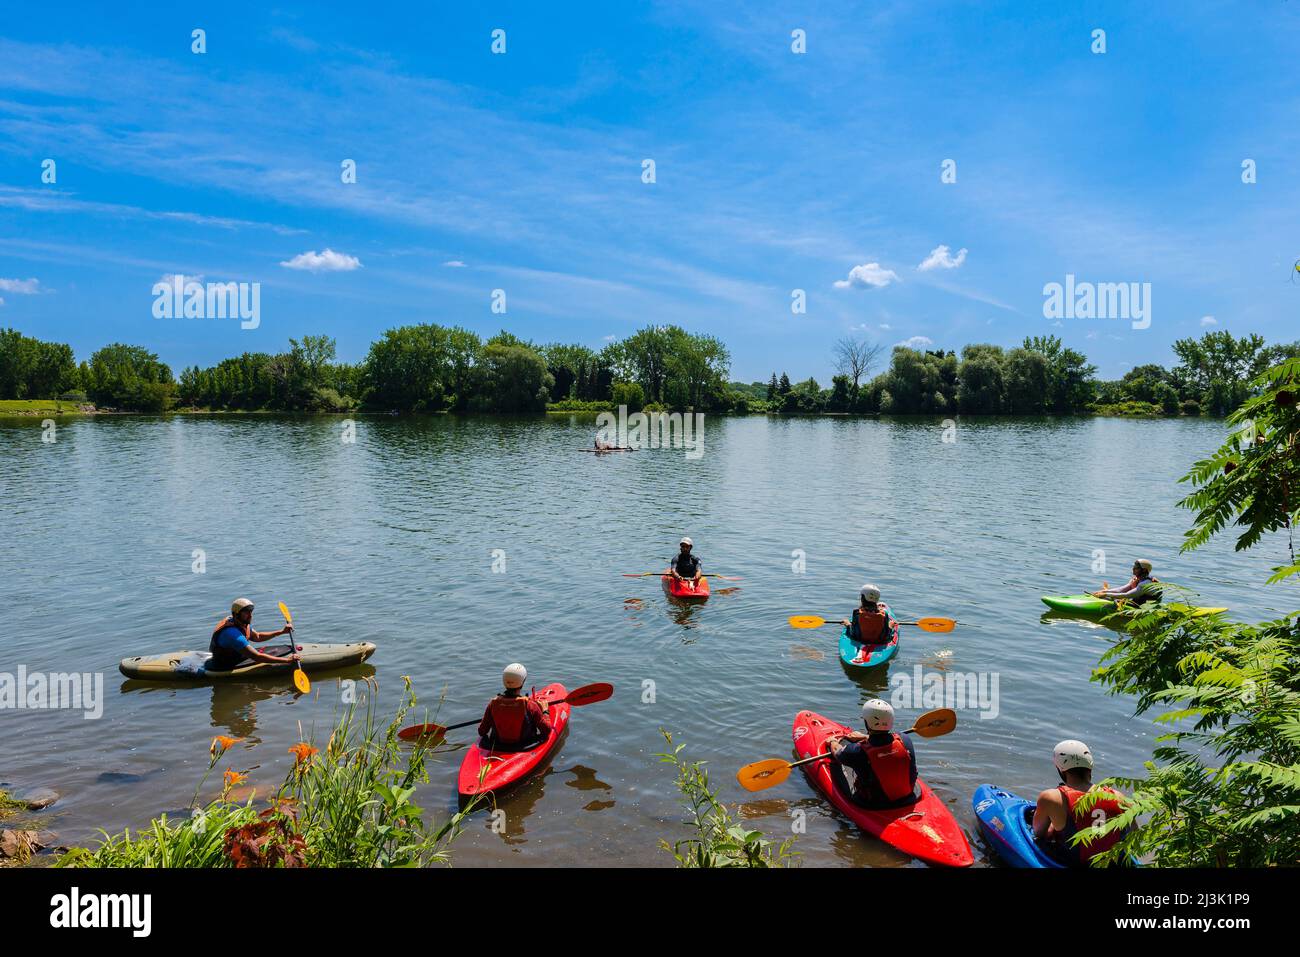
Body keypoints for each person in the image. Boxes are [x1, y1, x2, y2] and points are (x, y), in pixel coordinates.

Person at [1032, 739, 1129, 867]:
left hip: (1073, 862)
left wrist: (1054, 827)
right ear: (1091, 766)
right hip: (1113, 864)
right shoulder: (1119, 797)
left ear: (1060, 769)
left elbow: (1039, 832)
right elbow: (1132, 835)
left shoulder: (1051, 797)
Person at [825, 699, 919, 809]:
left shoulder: (857, 751)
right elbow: (885, 744)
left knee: (835, 767)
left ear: (867, 723)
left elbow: (837, 752)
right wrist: (866, 737)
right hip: (907, 797)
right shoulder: (904, 739)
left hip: (874, 804)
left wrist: (832, 741)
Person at [208, 598, 299, 671]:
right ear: (236, 615)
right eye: (246, 612)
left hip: (236, 654)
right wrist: (288, 660)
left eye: (250, 612)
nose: (250, 615)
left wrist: (281, 632)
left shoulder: (239, 622)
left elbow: (257, 636)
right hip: (225, 663)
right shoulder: (233, 634)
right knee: (260, 655)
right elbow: (257, 657)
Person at [478, 663, 552, 752]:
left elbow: (482, 731)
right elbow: (546, 730)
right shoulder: (530, 705)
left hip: (498, 746)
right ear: (522, 682)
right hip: (525, 746)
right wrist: (545, 711)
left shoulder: (493, 704)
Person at [1091, 559, 1162, 606]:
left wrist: (1106, 594)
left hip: (1147, 607)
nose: (1133, 569)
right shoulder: (1136, 580)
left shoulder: (1146, 583)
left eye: (1136, 568)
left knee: (1117, 601)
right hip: (1138, 602)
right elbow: (1120, 590)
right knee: (1113, 598)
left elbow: (1127, 595)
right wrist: (1103, 591)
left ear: (1144, 570)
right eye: (1134, 566)